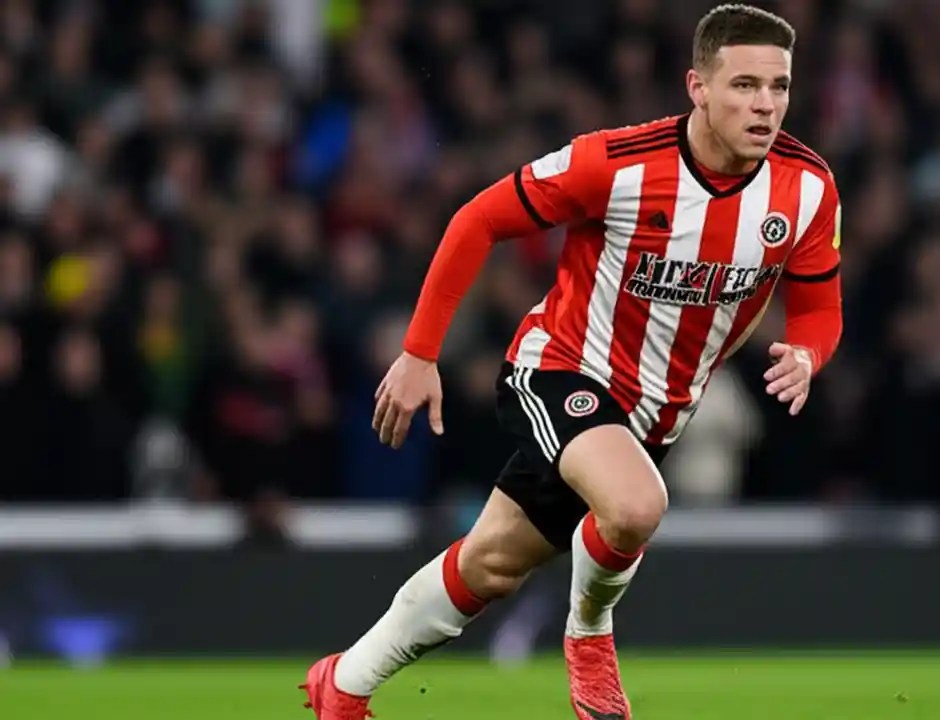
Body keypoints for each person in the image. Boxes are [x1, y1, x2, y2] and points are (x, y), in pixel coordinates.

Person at [300, 5, 843, 719]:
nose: (764, 104)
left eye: (778, 87)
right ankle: (590, 638)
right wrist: (419, 353)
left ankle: (345, 683)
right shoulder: (616, 165)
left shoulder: (807, 190)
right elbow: (478, 220)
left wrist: (807, 351)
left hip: (655, 413)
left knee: (491, 564)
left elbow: (818, 308)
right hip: (560, 369)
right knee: (637, 505)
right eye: (744, 85)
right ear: (697, 87)